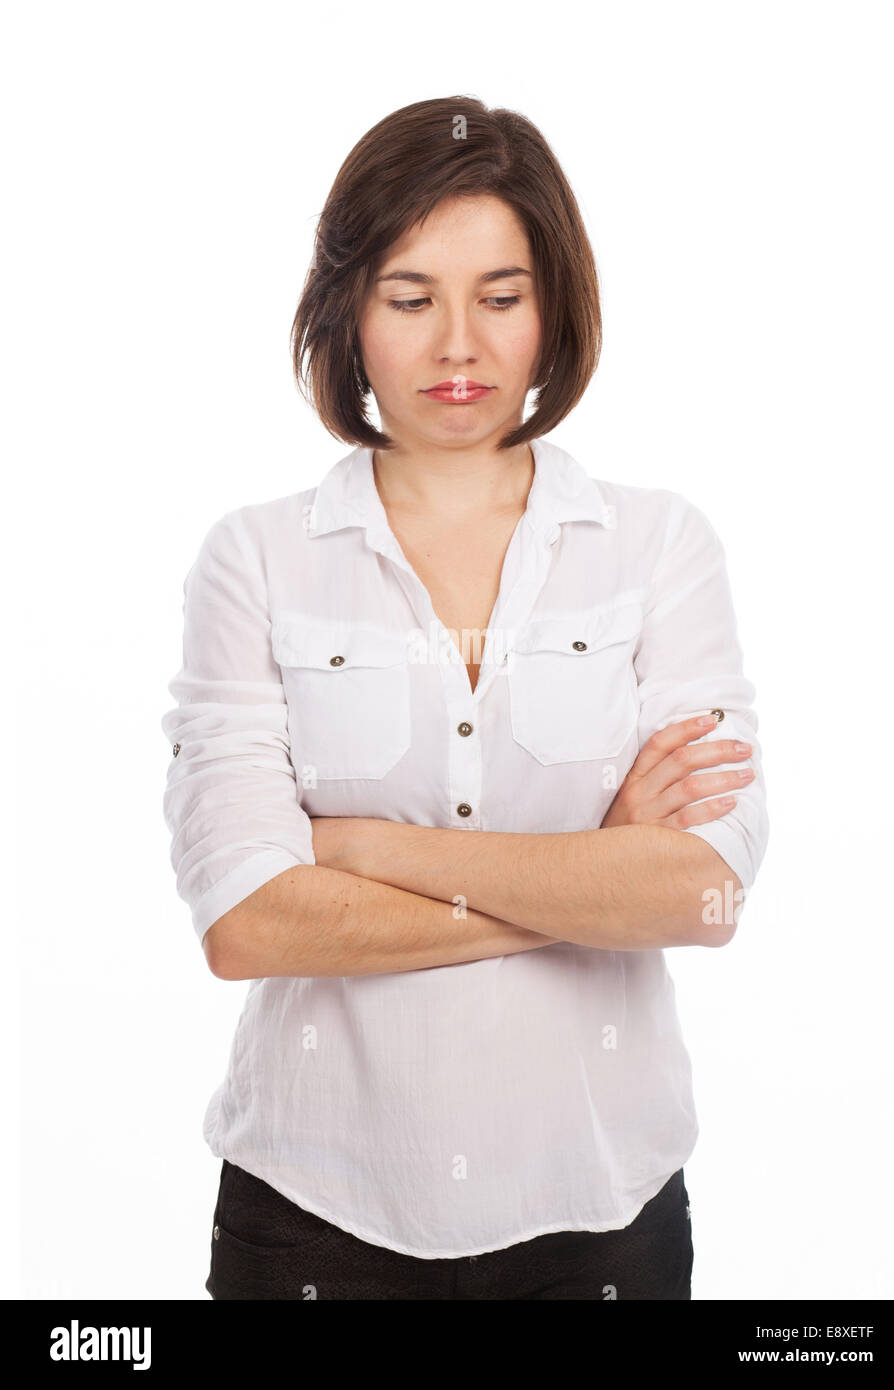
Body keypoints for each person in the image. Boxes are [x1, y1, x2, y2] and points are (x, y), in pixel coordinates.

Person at [161, 95, 769, 1301]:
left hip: (601, 1216)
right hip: (314, 1216)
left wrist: (362, 848)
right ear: (347, 312)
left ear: (553, 313)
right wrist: (588, 884)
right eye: (409, 299)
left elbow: (701, 891)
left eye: (499, 297)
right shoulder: (255, 559)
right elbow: (246, 920)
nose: (457, 346)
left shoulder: (656, 546)